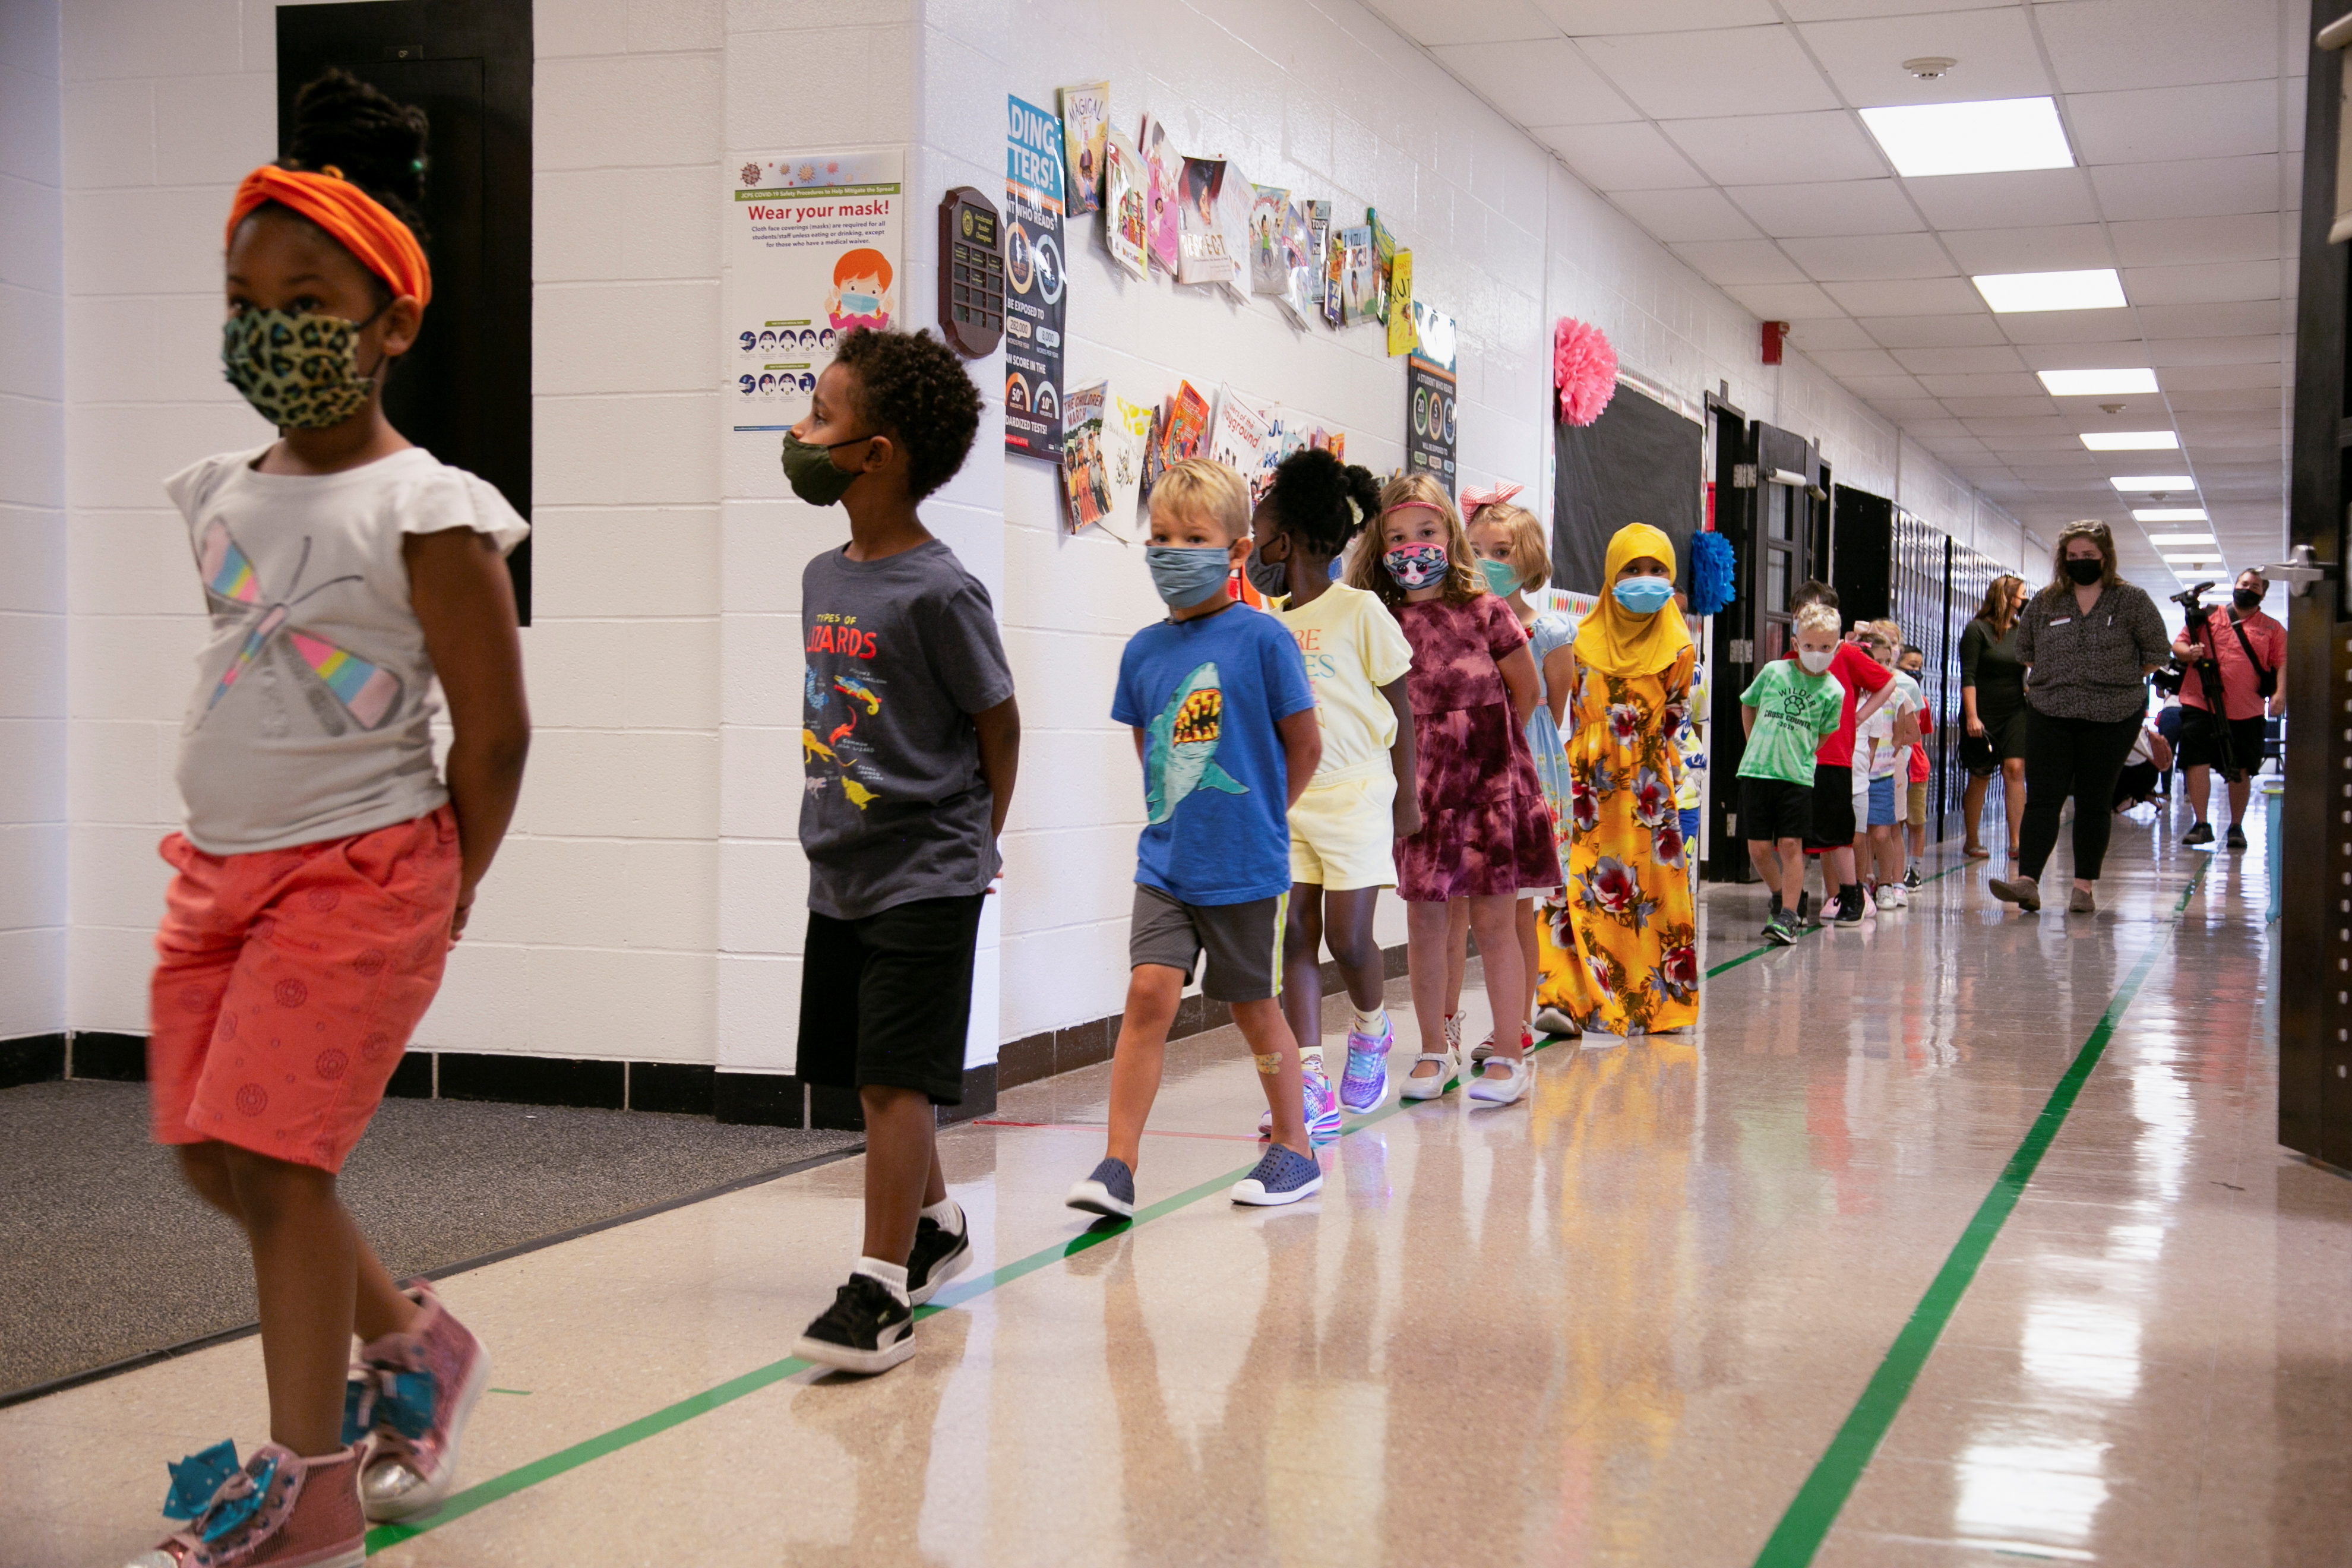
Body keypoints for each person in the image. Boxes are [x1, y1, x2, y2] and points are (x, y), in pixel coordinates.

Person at [132, 71, 531, 1567]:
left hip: (363, 874)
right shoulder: (220, 494)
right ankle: (415, 1343)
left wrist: (454, 882)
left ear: (393, 322)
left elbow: (494, 730)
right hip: (215, 876)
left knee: (281, 1161)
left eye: (309, 296)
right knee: (209, 1153)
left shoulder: (429, 507)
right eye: (248, 295)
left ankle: (305, 1493)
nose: (271, 324)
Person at [783, 328, 1020, 1377]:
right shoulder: (822, 576)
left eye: (821, 415)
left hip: (929, 867)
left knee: (894, 1078)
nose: (800, 432)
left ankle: (878, 1293)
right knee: (863, 1075)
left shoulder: (942, 590)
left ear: (875, 454)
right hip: (841, 862)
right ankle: (932, 1226)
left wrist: (979, 835)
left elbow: (998, 722)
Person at [1067, 458, 1326, 1220]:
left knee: (1253, 1008)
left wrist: (1267, 818)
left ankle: (1295, 1147)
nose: (1173, 552)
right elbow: (1152, 753)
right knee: (1149, 994)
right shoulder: (1143, 652)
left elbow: (1304, 745)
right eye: (1160, 538)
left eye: (1194, 538)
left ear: (1237, 552)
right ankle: (1118, 1164)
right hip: (1167, 864)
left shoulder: (1263, 640)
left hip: (1246, 865)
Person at [1355, 474, 1557, 1107]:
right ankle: (1434, 1050)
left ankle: (1508, 1052)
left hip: (1491, 790)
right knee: (1425, 925)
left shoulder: (1488, 613)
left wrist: (1486, 758)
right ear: (1380, 548)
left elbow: (1529, 694)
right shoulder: (1380, 621)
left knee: (1496, 924)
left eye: (1426, 532)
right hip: (1419, 796)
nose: (1413, 546)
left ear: (1449, 535)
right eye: (1397, 537)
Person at [1250, 448, 1418, 1127]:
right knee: (1295, 936)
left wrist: (1407, 795)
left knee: (1349, 938)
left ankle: (1372, 1032)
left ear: (1286, 539)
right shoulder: (1265, 626)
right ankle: (1309, 1076)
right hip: (1293, 800)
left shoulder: (1362, 610)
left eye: (1259, 529)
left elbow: (1402, 707)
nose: (1252, 544)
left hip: (1356, 795)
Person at [1548, 524, 1702, 1032]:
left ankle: (1651, 1003)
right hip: (1585, 783)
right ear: (1611, 576)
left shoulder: (1681, 647)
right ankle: (1566, 998)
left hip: (1647, 791)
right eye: (1632, 570)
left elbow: (1677, 714)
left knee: (1645, 893)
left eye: (1657, 570)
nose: (1645, 579)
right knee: (1572, 887)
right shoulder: (1578, 641)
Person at [1989, 522, 2173, 914]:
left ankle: (2083, 888)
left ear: (2105, 557)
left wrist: (2117, 677)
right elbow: (2025, 651)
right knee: (2043, 798)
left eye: (2088, 557)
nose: (2080, 563)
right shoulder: (2047, 601)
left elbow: (2158, 651)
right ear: (2062, 560)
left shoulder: (2131, 601)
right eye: (2073, 557)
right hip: (2050, 711)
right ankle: (2027, 882)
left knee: (2094, 800)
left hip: (2113, 714)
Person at [1465, 489, 1583, 1052]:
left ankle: (1516, 1022)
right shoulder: (1460, 625)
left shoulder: (1552, 632)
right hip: (1468, 774)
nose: (1489, 560)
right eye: (1477, 549)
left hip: (1527, 771)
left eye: (1503, 551)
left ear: (1529, 558)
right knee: (1473, 910)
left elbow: (1552, 711)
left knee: (1517, 910)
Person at [1785, 583, 1896, 927]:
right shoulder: (1790, 660)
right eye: (1805, 611)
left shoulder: (1846, 655)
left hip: (1833, 758)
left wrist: (1860, 716)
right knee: (1795, 836)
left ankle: (1852, 895)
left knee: (1837, 834)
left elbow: (1886, 683)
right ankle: (1793, 902)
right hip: (1796, 760)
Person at [1740, 605, 1847, 945]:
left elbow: (1825, 733)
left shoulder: (1834, 692)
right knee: (1758, 849)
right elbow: (1749, 704)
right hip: (1757, 771)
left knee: (1791, 844)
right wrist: (1753, 742)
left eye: (1826, 648)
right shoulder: (1775, 671)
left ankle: (1788, 915)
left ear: (1838, 647)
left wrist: (1802, 751)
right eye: (1810, 646)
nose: (1817, 654)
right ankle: (1780, 895)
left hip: (1797, 777)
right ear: (1796, 642)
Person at [2173, 567, 2285, 850]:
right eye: (2244, 583)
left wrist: (2280, 695)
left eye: (2256, 586)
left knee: (2242, 767)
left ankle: (2236, 826)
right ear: (2235, 586)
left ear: (2263, 594)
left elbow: (2282, 663)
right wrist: (2189, 653)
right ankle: (2201, 824)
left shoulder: (2273, 628)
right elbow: (2179, 644)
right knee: (2196, 761)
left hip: (2247, 709)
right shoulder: (2208, 616)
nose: (2249, 588)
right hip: (2200, 701)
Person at [1959, 574, 2029, 863]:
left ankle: (2017, 842)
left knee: (2015, 769)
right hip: (1983, 711)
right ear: (2007, 597)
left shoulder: (2021, 631)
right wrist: (1972, 716)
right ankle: (1972, 839)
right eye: (2021, 595)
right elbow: (1969, 675)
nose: (2024, 600)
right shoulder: (1977, 630)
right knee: (1981, 774)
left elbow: (2025, 670)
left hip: (2015, 709)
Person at [1855, 622, 1923, 908]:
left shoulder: (1896, 694)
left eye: (1886, 662)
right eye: (1876, 662)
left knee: (1883, 833)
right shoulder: (1854, 695)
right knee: (1859, 837)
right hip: (1857, 776)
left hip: (1882, 775)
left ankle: (1887, 882)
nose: (1882, 668)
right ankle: (1860, 885)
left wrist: (1890, 750)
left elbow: (1910, 733)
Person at [1896, 643, 1930, 887]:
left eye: (1919, 667)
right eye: (1911, 665)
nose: (1916, 671)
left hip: (1917, 768)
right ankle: (1894, 871)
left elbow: (1921, 732)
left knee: (1916, 822)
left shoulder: (1921, 701)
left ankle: (1915, 871)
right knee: (1895, 821)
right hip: (1895, 766)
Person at [2113, 710, 2174, 813]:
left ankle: (2127, 799)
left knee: (2110, 771)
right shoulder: (2136, 727)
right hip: (2151, 771)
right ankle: (2148, 795)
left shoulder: (2118, 730)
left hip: (2139, 774)